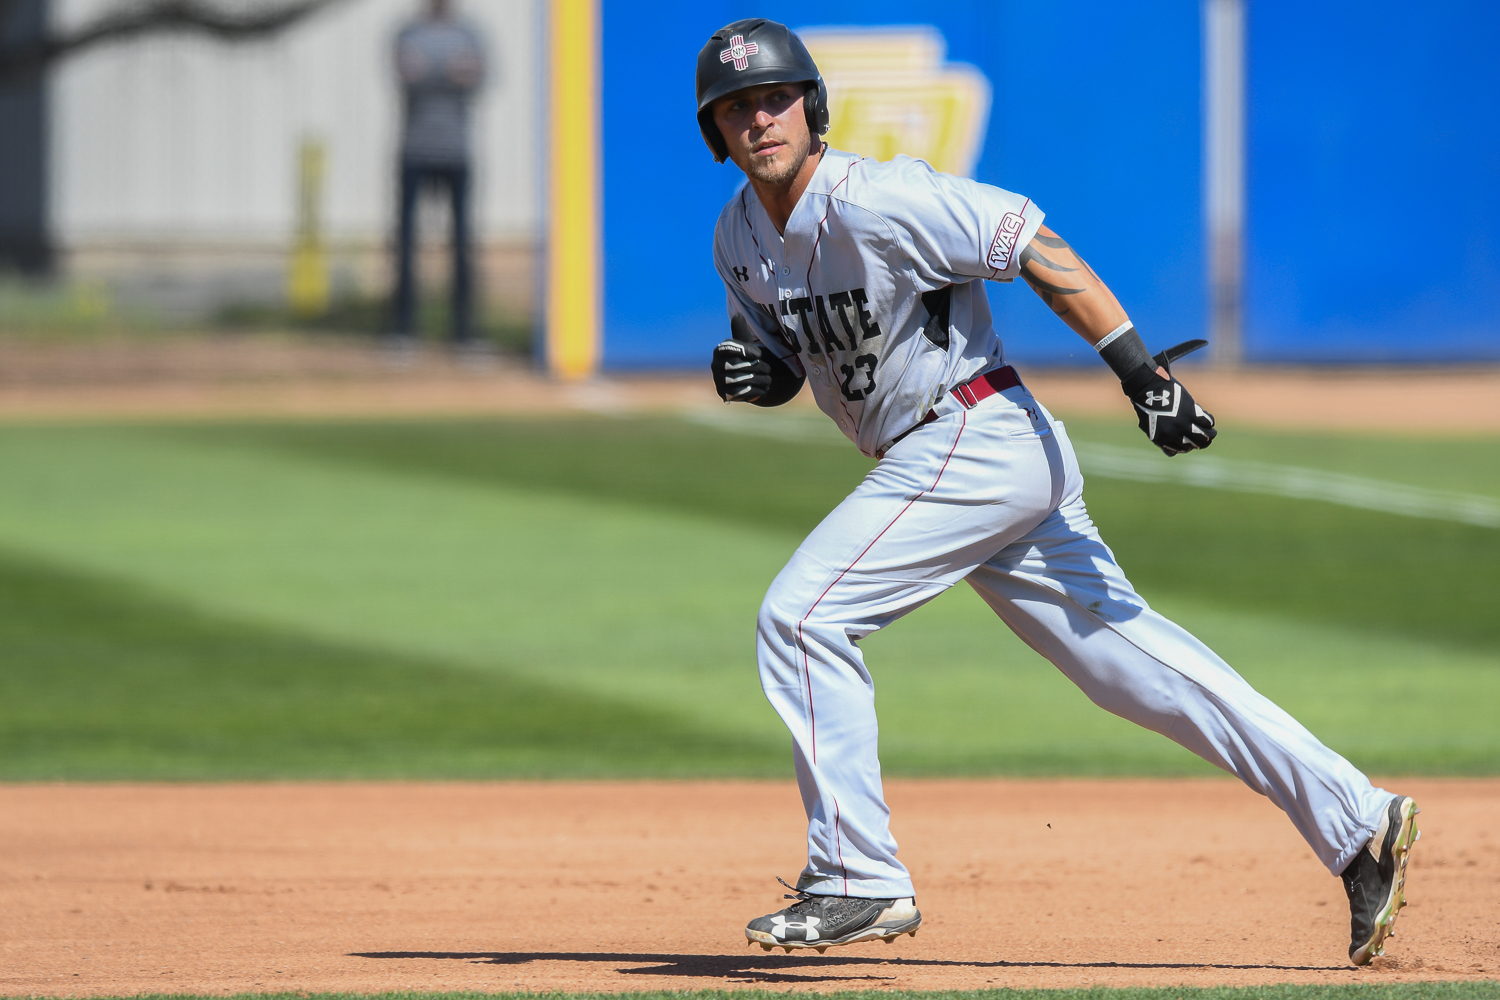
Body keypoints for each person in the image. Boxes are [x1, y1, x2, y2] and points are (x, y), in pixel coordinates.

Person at [696, 18, 1419, 967]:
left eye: (774, 98)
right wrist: (764, 375)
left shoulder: (883, 199)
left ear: (812, 105)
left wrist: (1139, 375)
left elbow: (1033, 244)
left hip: (973, 436)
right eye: (736, 107)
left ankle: (858, 877)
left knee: (802, 618)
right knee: (1137, 670)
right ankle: (1358, 820)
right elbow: (796, 357)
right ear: (716, 134)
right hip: (958, 460)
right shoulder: (738, 239)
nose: (759, 119)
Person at [392, 0, 486, 347]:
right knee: (406, 243)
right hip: (415, 149)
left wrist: (431, 71)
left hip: (456, 151)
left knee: (462, 243)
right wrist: (447, 72)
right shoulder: (408, 31)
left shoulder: (470, 33)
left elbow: (476, 76)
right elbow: (406, 75)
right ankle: (403, 329)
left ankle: (464, 331)